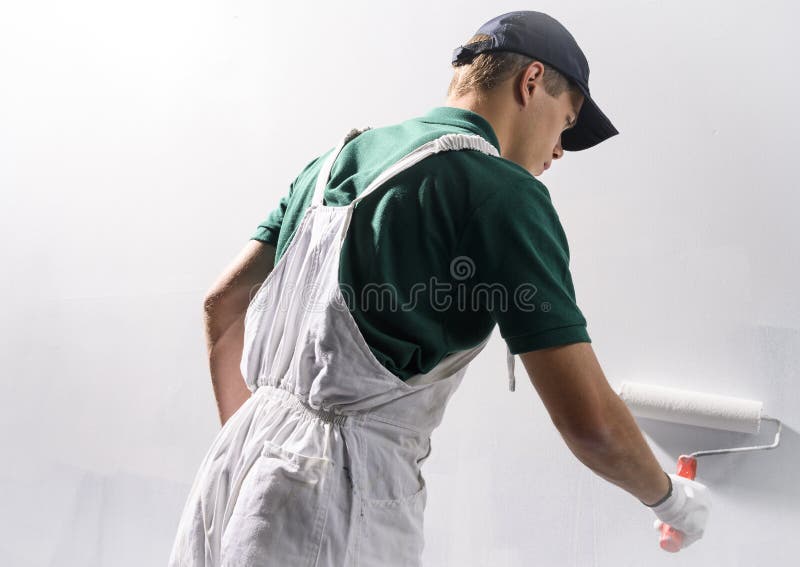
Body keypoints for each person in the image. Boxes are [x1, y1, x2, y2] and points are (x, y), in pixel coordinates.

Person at [169, 10, 710, 566]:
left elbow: (224, 304)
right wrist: (675, 502)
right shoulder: (501, 193)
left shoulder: (335, 159)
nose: (558, 151)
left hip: (232, 476)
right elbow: (589, 422)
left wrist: (268, 452)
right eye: (566, 122)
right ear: (531, 83)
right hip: (333, 502)